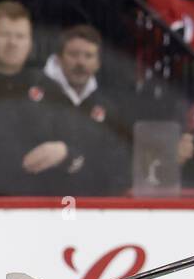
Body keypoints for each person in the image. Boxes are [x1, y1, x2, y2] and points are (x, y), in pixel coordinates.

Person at [0, 1, 73, 195]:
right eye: (4, 35)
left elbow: (80, 142)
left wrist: (64, 151)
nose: (12, 43)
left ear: (30, 43)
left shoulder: (47, 86)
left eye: (20, 36)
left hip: (36, 207)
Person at [36, 25, 133, 196]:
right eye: (73, 54)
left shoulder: (108, 107)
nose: (81, 62)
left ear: (97, 63)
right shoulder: (37, 97)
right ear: (59, 58)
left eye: (88, 56)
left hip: (94, 209)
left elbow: (118, 165)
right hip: (41, 208)